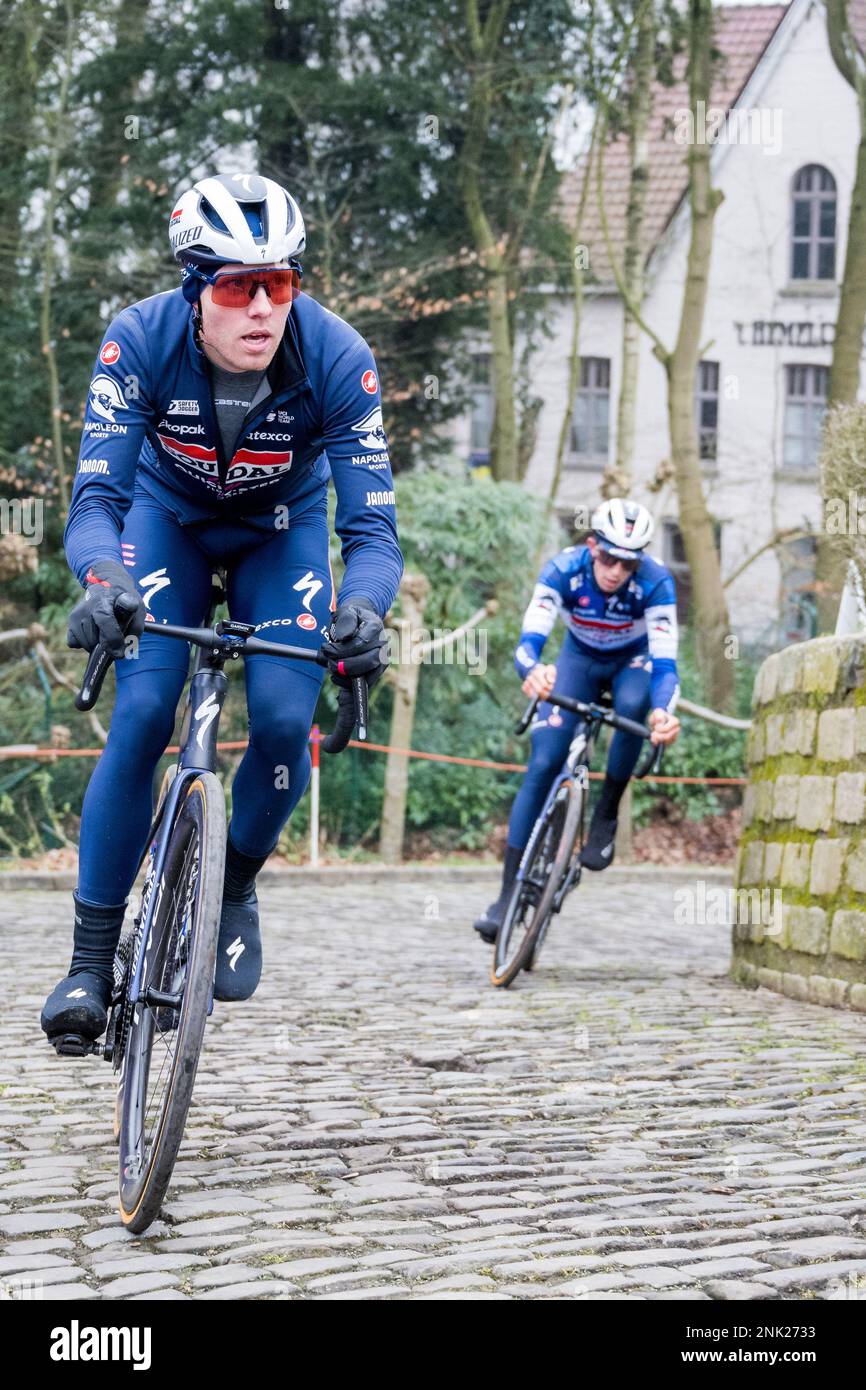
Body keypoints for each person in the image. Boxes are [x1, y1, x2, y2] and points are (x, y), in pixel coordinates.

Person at [42, 172, 402, 1043]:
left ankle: (234, 881)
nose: (262, 308)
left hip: (281, 531)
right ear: (195, 291)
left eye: (279, 283)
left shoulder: (339, 357)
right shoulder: (138, 341)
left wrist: (363, 608)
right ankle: (89, 963)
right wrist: (103, 580)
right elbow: (95, 502)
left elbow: (372, 530)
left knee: (281, 719)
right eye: (239, 287)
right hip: (163, 520)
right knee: (143, 715)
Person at [474, 498, 680, 943]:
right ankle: (507, 897)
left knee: (634, 706)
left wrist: (664, 711)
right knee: (544, 762)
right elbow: (528, 643)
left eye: (628, 563)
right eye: (608, 558)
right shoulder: (563, 570)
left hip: (633, 663)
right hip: (579, 660)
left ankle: (606, 811)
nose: (616, 571)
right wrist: (532, 671)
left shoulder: (657, 582)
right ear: (592, 546)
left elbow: (666, 666)